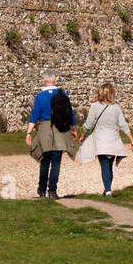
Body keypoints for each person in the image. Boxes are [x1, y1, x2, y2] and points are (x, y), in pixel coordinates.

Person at [78, 82, 133, 196]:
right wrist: (132, 140)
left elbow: (88, 124)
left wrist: (83, 135)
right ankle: (107, 190)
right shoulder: (116, 108)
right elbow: (123, 125)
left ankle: (108, 191)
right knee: (109, 167)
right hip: (113, 140)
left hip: (100, 141)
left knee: (105, 166)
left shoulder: (95, 106)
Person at [26, 71, 76, 199]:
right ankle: (52, 191)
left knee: (44, 161)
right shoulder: (63, 94)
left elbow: (34, 116)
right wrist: (73, 129)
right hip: (60, 129)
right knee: (56, 162)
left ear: (44, 81)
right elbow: (70, 113)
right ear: (55, 81)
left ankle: (42, 190)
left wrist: (29, 133)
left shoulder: (40, 97)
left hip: (44, 129)